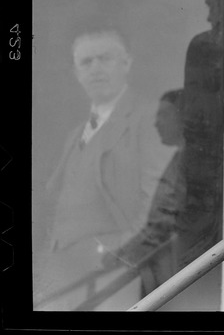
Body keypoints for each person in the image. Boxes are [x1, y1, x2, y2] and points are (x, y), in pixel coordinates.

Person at [35, 27, 175, 311]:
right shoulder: (75, 133)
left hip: (114, 279)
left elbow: (160, 209)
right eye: (86, 62)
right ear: (76, 72)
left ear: (126, 63)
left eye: (105, 58)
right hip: (59, 278)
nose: (96, 69)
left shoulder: (149, 119)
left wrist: (113, 257)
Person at [104, 89, 186, 296]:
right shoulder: (181, 159)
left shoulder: (187, 162)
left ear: (184, 117)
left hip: (172, 277)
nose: (156, 123)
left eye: (164, 114)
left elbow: (162, 224)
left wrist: (122, 256)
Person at [179, 0, 224, 265]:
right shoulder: (204, 46)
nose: (209, 17)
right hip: (206, 171)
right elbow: (194, 117)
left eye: (211, 6)